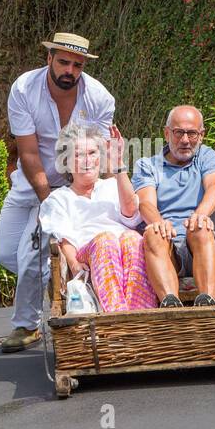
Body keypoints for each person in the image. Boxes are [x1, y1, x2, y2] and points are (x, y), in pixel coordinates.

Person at [0, 32, 116, 352]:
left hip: (69, 187)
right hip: (30, 183)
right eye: (63, 62)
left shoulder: (99, 98)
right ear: (48, 59)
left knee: (31, 253)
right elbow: (29, 153)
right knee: (5, 252)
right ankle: (53, 277)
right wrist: (47, 198)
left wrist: (72, 198)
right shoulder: (23, 89)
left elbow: (95, 154)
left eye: (77, 65)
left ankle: (26, 325)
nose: (69, 70)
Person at [39, 124, 155, 313]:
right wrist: (74, 264)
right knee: (106, 240)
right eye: (78, 155)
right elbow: (63, 238)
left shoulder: (111, 186)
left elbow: (132, 213)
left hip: (124, 247)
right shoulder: (59, 198)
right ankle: (117, 318)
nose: (87, 160)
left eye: (92, 153)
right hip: (90, 250)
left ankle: (141, 317)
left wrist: (118, 165)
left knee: (133, 238)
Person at [132, 105, 215, 307]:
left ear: (201, 135)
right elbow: (146, 203)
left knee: (200, 227)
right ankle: (171, 305)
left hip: (202, 241)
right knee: (154, 232)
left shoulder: (207, 156)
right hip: (168, 244)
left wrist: (200, 215)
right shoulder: (147, 165)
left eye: (191, 133)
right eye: (178, 132)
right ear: (167, 133)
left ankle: (208, 305)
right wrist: (158, 222)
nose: (185, 140)